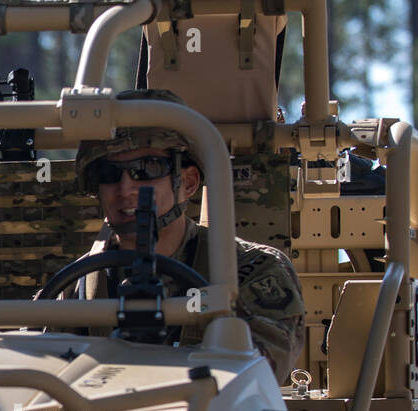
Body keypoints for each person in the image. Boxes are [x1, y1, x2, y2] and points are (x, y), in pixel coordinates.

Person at [69, 89, 305, 381]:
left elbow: (253, 376)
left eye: (147, 169)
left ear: (189, 183)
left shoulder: (251, 271)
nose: (125, 188)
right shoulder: (76, 286)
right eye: (108, 173)